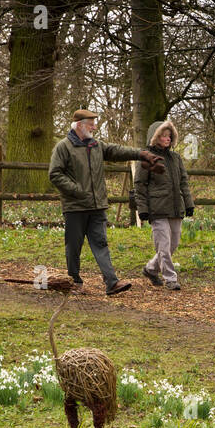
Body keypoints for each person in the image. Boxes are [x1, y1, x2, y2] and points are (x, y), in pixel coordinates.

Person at [48, 109, 163, 295]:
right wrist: (77, 191)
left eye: (94, 123)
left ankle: (111, 282)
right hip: (75, 207)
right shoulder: (64, 147)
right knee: (73, 246)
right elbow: (55, 174)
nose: (95, 127)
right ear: (79, 125)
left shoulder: (96, 145)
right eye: (91, 123)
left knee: (101, 244)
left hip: (97, 206)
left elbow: (118, 151)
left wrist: (142, 154)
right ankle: (74, 282)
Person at [136, 119, 195, 291]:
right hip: (157, 208)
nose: (167, 138)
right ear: (155, 137)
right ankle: (170, 278)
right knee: (163, 244)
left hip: (176, 207)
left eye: (169, 135)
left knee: (173, 244)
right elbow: (140, 185)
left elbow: (184, 182)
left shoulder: (176, 158)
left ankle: (150, 269)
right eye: (163, 135)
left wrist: (189, 203)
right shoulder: (147, 157)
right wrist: (143, 209)